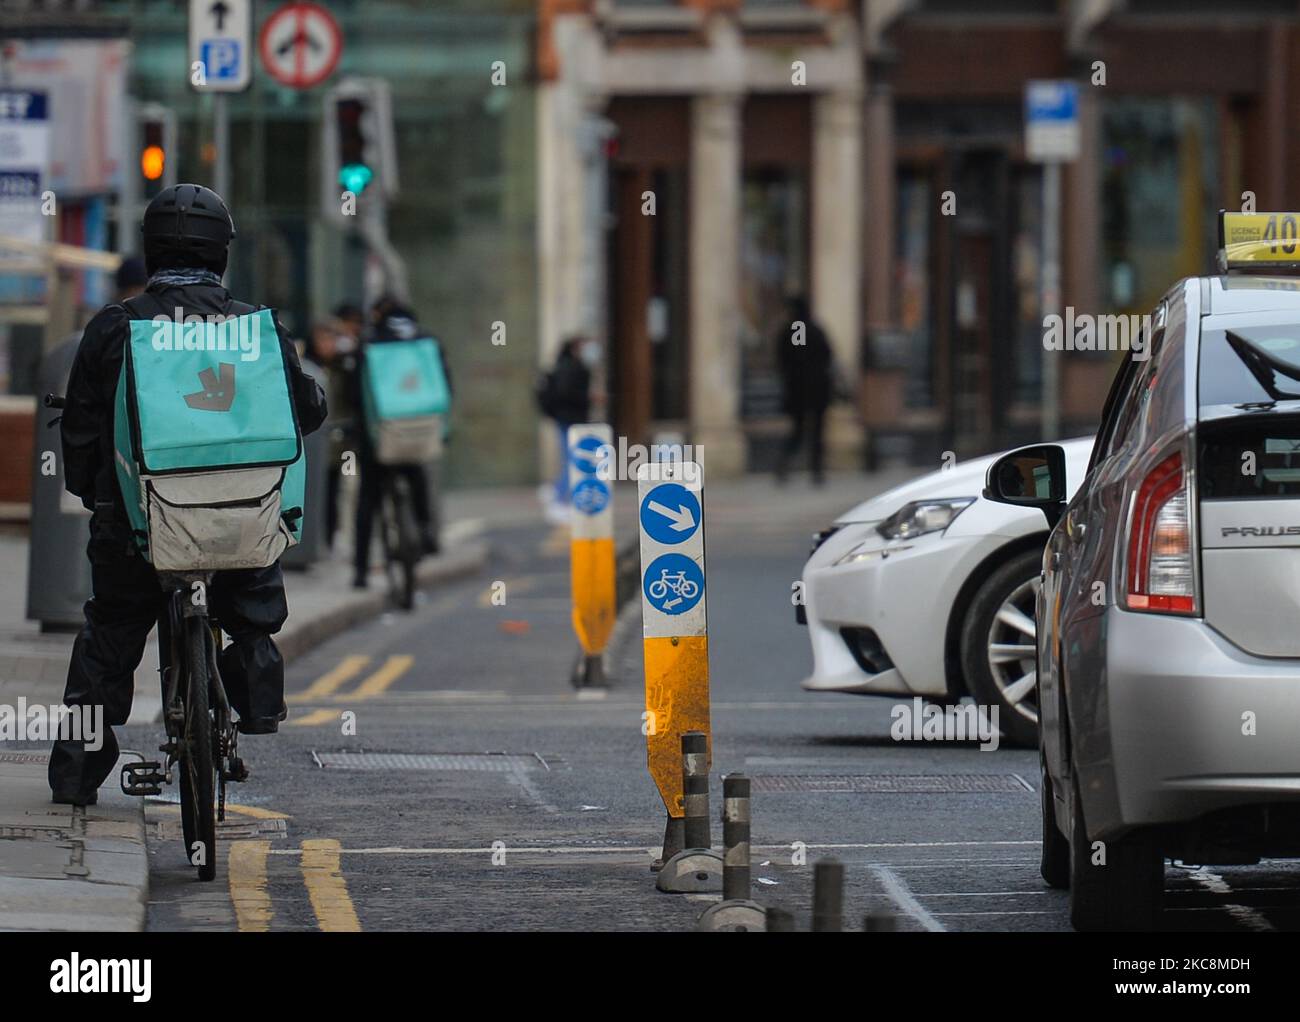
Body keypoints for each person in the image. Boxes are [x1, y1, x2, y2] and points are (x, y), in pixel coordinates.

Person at [51, 183, 327, 806]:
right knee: (251, 605)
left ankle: (74, 777)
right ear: (221, 253)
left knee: (110, 637)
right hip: (240, 527)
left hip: (138, 529)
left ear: (150, 251)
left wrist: (92, 492)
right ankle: (250, 702)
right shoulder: (255, 328)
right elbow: (303, 411)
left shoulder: (117, 325)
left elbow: (84, 427)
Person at [350, 297, 450, 588]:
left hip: (380, 435)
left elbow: (357, 393)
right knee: (417, 476)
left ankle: (360, 570)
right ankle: (427, 534)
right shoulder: (426, 339)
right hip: (421, 429)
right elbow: (445, 384)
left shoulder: (369, 342)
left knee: (367, 500)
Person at [774, 295, 834, 486]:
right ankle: (814, 470)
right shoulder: (809, 328)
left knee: (800, 431)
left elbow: (792, 355)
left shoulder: (797, 328)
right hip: (815, 388)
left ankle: (791, 466)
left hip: (801, 389)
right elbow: (826, 354)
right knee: (814, 432)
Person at [537, 335, 597, 519]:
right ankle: (560, 499)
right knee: (573, 460)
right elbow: (568, 393)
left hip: (567, 419)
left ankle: (556, 491)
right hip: (571, 420)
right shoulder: (571, 367)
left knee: (571, 458)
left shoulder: (565, 365)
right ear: (576, 348)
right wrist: (588, 398)